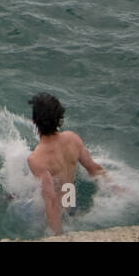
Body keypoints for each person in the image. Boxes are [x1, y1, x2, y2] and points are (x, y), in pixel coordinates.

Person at [26, 93, 104, 236]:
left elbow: (51, 201)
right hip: (72, 204)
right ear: (60, 119)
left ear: (34, 121)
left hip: (57, 214)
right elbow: (94, 169)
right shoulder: (72, 138)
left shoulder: (36, 159)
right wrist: (119, 188)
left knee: (10, 201)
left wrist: (58, 235)